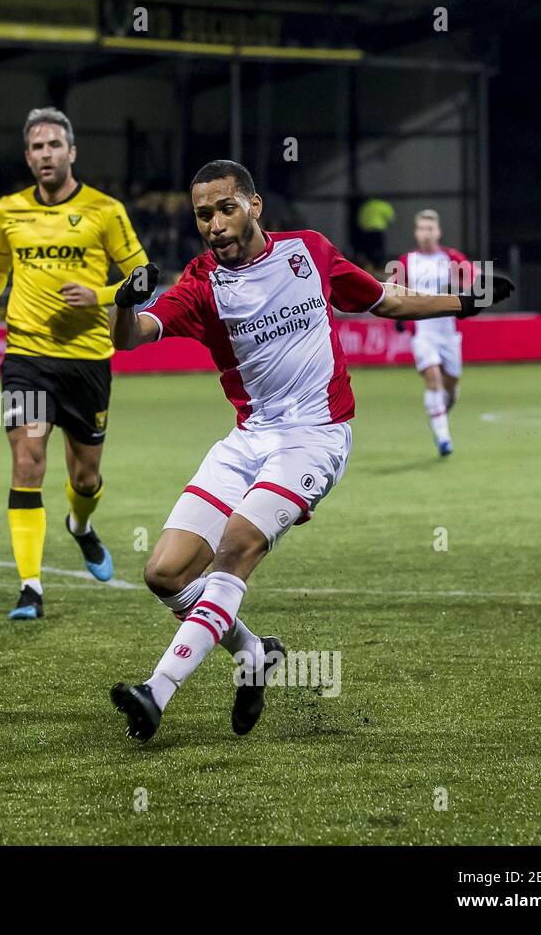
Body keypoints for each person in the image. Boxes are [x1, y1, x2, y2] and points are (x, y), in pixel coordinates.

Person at [108, 160, 511, 742]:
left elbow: (384, 301)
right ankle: (254, 653)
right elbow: (130, 338)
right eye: (203, 215)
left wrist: (462, 301)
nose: (215, 224)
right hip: (249, 438)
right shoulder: (200, 285)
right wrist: (126, 304)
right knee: (164, 573)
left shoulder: (309, 253)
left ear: (255, 205)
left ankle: (156, 691)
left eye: (226, 208)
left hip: (318, 435)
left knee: (236, 547)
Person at [0, 107, 151, 620]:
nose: (45, 154)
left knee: (87, 476)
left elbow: (142, 277)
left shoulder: (105, 210)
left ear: (71, 152)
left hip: (89, 360)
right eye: (36, 147)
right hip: (26, 353)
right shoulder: (9, 209)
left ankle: (81, 525)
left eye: (54, 145)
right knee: (28, 459)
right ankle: (31, 587)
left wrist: (98, 294)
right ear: (27, 157)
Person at [391, 209, 474, 456]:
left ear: (438, 231)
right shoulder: (407, 261)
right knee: (433, 376)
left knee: (450, 386)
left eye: (430, 229)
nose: (426, 234)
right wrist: (398, 317)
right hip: (423, 331)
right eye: (421, 229)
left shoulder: (451, 258)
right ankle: (443, 437)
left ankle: (438, 412)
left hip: (447, 333)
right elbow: (396, 290)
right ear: (416, 232)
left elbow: (472, 281)